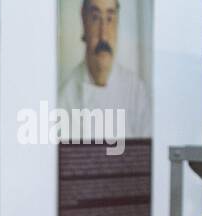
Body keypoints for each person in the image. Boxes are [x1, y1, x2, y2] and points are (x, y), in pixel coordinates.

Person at [59, 0, 151, 140]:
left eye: (110, 19)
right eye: (95, 18)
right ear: (84, 20)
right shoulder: (64, 99)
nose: (104, 35)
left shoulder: (136, 92)